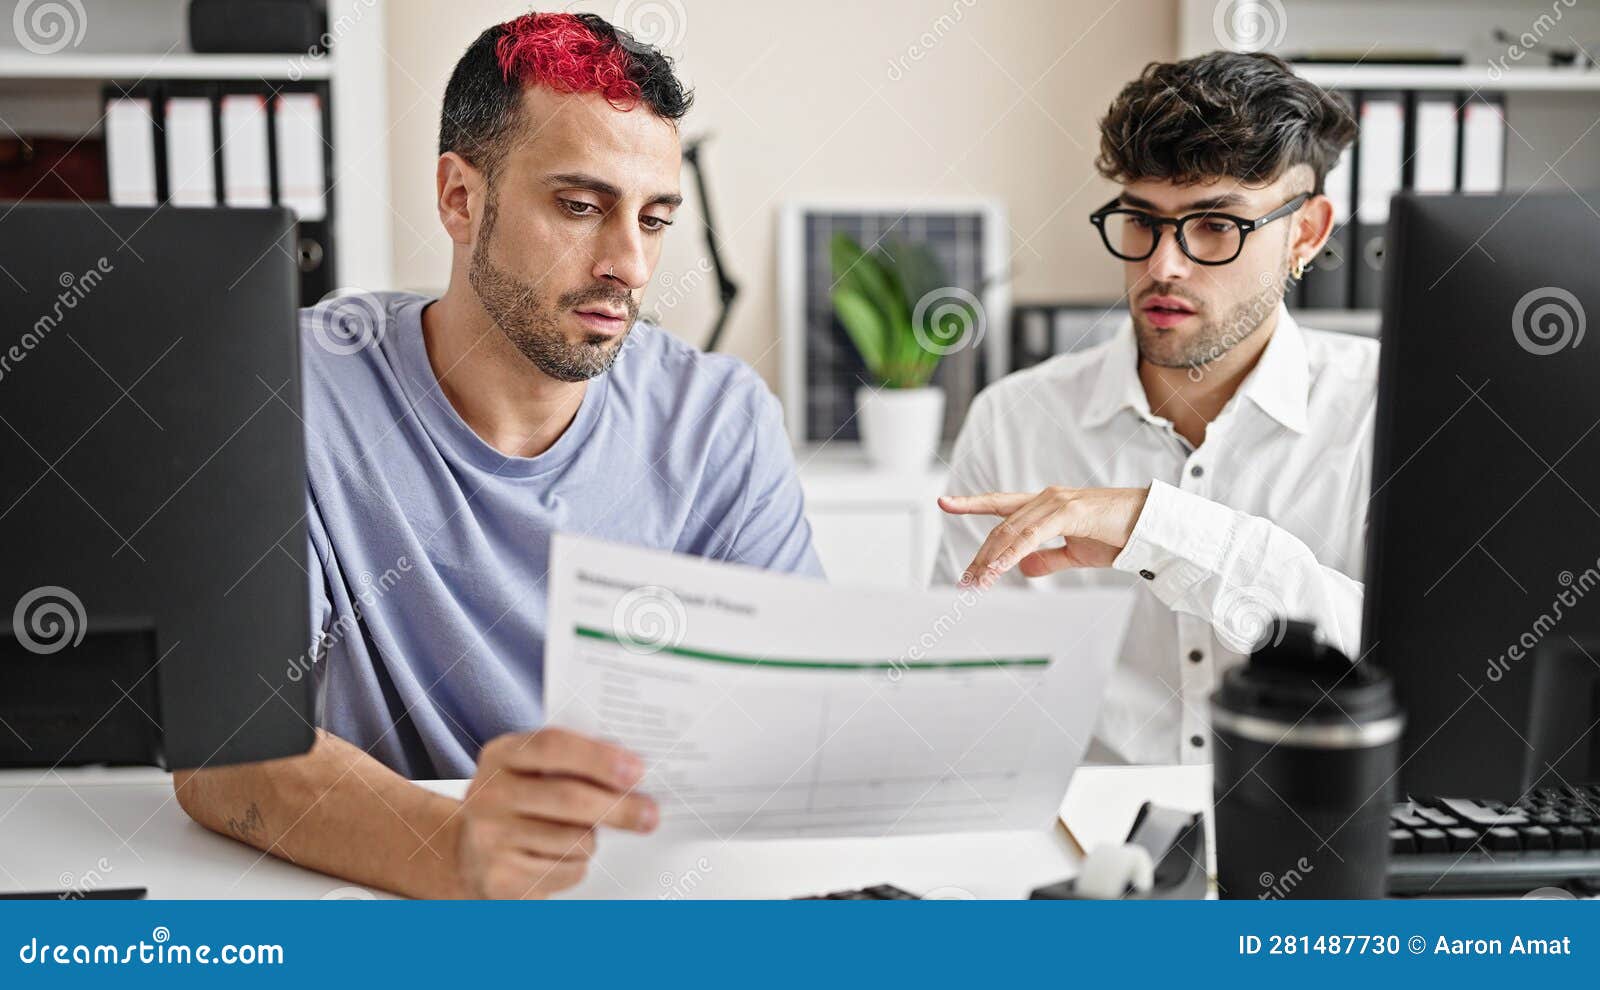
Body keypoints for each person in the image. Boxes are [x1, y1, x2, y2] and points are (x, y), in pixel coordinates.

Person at [174, 11, 821, 899]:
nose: (630, 265)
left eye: (656, 219)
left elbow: (799, 721)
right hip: (383, 899)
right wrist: (451, 848)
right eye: (582, 207)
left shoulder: (720, 421)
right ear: (459, 198)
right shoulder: (290, 390)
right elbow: (222, 753)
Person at [935, 51, 1374, 766]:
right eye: (1142, 220)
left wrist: (1162, 530)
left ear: (1307, 233)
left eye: (1215, 226)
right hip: (1082, 856)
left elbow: (1431, 671)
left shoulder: (1386, 414)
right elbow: (954, 694)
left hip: (1314, 834)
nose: (1164, 264)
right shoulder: (1013, 421)